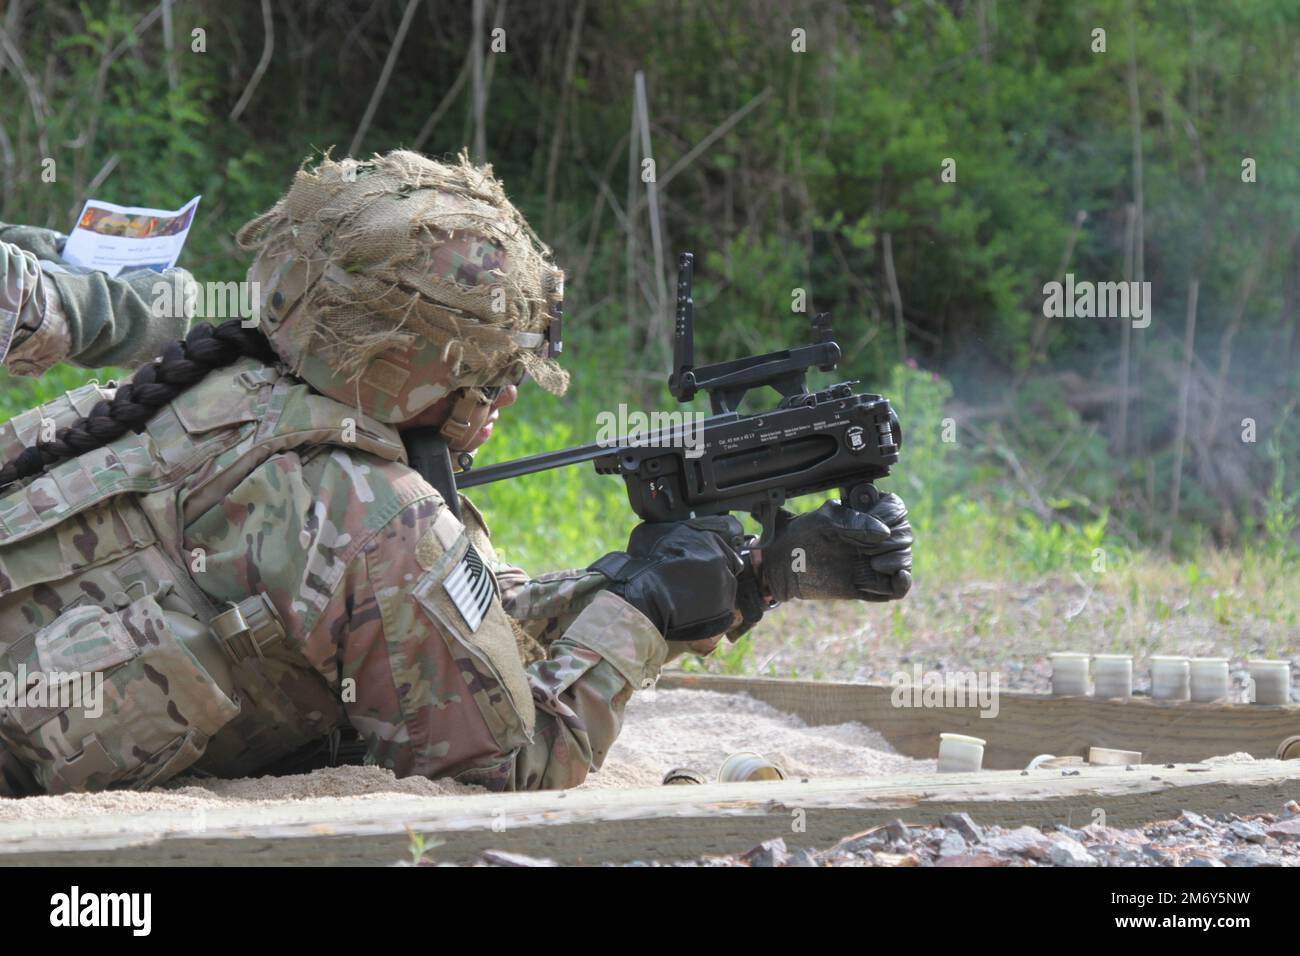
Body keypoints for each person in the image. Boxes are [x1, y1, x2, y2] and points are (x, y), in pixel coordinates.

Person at [0, 150, 912, 797]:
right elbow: (512, 763)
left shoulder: (216, 384)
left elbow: (447, 641)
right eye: (497, 377)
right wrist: (641, 615)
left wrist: (749, 583)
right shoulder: (373, 514)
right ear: (430, 372)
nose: (504, 400)